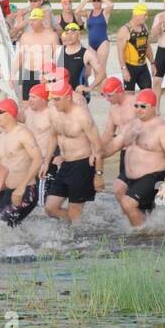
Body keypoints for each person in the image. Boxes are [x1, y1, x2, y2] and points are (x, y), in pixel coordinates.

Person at [100, 89, 165, 226]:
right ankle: (141, 224)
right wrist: (96, 153)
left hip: (153, 176)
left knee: (128, 203)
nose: (139, 110)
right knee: (119, 189)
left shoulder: (162, 129)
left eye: (143, 106)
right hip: (133, 176)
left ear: (153, 107)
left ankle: (142, 233)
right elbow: (114, 145)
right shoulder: (133, 125)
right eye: (136, 106)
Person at [43, 78, 104, 223]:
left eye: (57, 99)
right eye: (52, 99)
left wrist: (99, 175)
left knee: (74, 211)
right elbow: (53, 136)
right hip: (65, 164)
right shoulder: (54, 111)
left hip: (82, 165)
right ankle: (78, 226)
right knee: (50, 208)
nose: (53, 102)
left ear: (68, 97)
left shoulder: (82, 116)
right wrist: (46, 162)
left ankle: (77, 237)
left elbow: (98, 147)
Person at [0, 99, 45, 225]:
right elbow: (1, 168)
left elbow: (38, 159)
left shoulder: (23, 134)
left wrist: (21, 188)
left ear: (10, 114)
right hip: (8, 190)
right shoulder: (2, 137)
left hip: (25, 191)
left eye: (0, 112)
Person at [12, 8, 61, 102]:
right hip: (28, 74)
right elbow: (20, 57)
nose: (31, 23)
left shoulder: (51, 36)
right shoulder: (25, 36)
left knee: (45, 103)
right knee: (26, 103)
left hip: (45, 74)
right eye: (31, 20)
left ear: (42, 20)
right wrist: (12, 73)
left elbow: (57, 58)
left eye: (35, 20)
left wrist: (52, 76)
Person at [57, 22, 105, 100]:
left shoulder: (87, 54)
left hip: (78, 95)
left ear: (79, 36)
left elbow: (102, 73)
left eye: (72, 33)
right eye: (67, 33)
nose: (69, 36)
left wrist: (89, 88)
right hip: (61, 95)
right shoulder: (59, 51)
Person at [116, 4, 153, 92]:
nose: (146, 17)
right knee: (129, 97)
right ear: (137, 15)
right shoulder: (124, 30)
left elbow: (147, 46)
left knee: (147, 94)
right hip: (130, 67)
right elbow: (120, 52)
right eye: (145, 15)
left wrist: (152, 62)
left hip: (143, 67)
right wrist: (124, 70)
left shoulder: (145, 27)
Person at [77, 0, 115, 70]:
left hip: (102, 43)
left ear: (101, 2)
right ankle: (97, 82)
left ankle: (103, 82)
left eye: (98, 1)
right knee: (95, 68)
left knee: (101, 68)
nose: (96, 2)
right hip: (91, 44)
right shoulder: (88, 13)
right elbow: (77, 11)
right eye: (94, 1)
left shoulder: (104, 12)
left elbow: (111, 5)